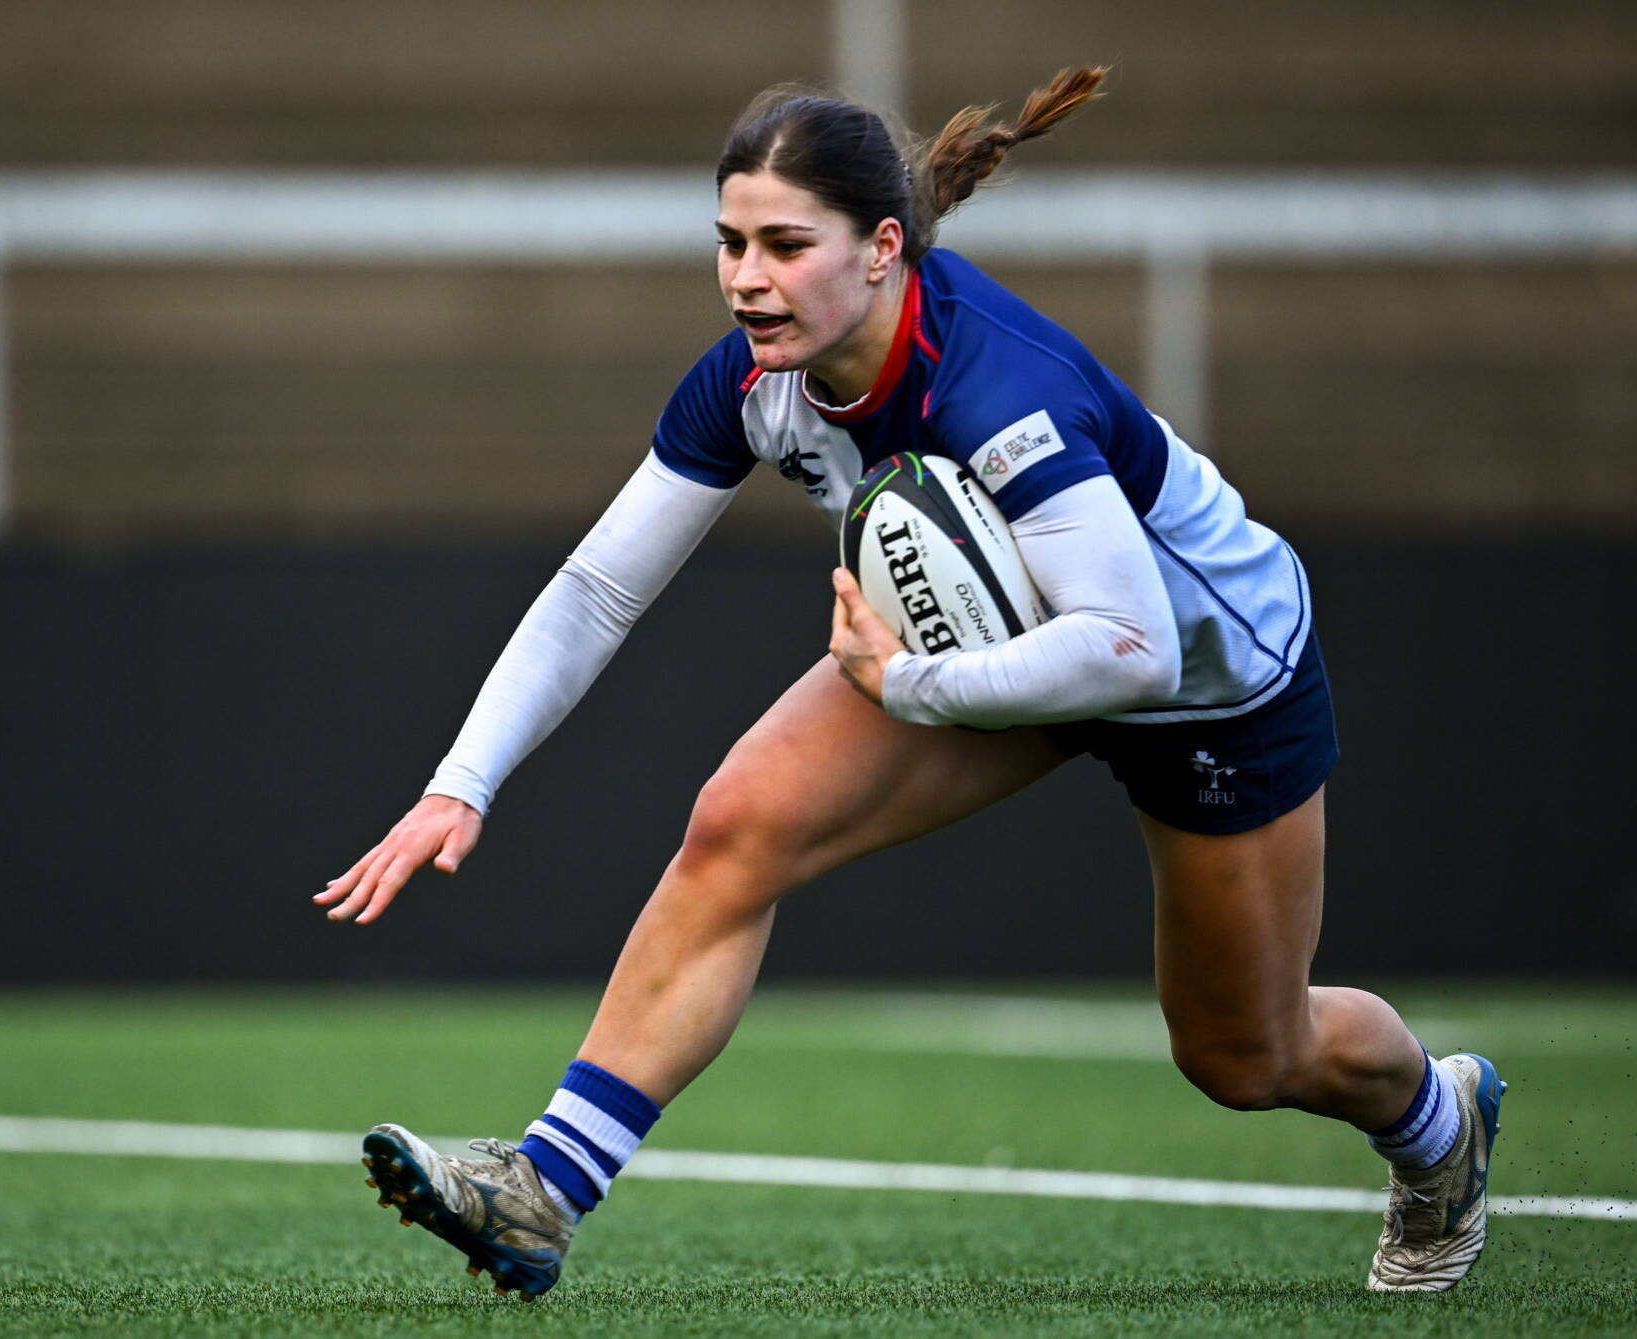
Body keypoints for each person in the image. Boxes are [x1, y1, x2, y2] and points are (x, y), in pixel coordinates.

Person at [315, 67, 1502, 1298]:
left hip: (1204, 679)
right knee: (739, 822)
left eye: (784, 244)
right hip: (993, 647)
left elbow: (1130, 643)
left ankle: (1436, 1121)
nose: (744, 278)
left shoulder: (996, 388)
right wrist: (462, 783)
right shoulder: (753, 377)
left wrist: (910, 679)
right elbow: (597, 590)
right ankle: (545, 1189)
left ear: (882, 249)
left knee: (1242, 1054)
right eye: (728, 243)